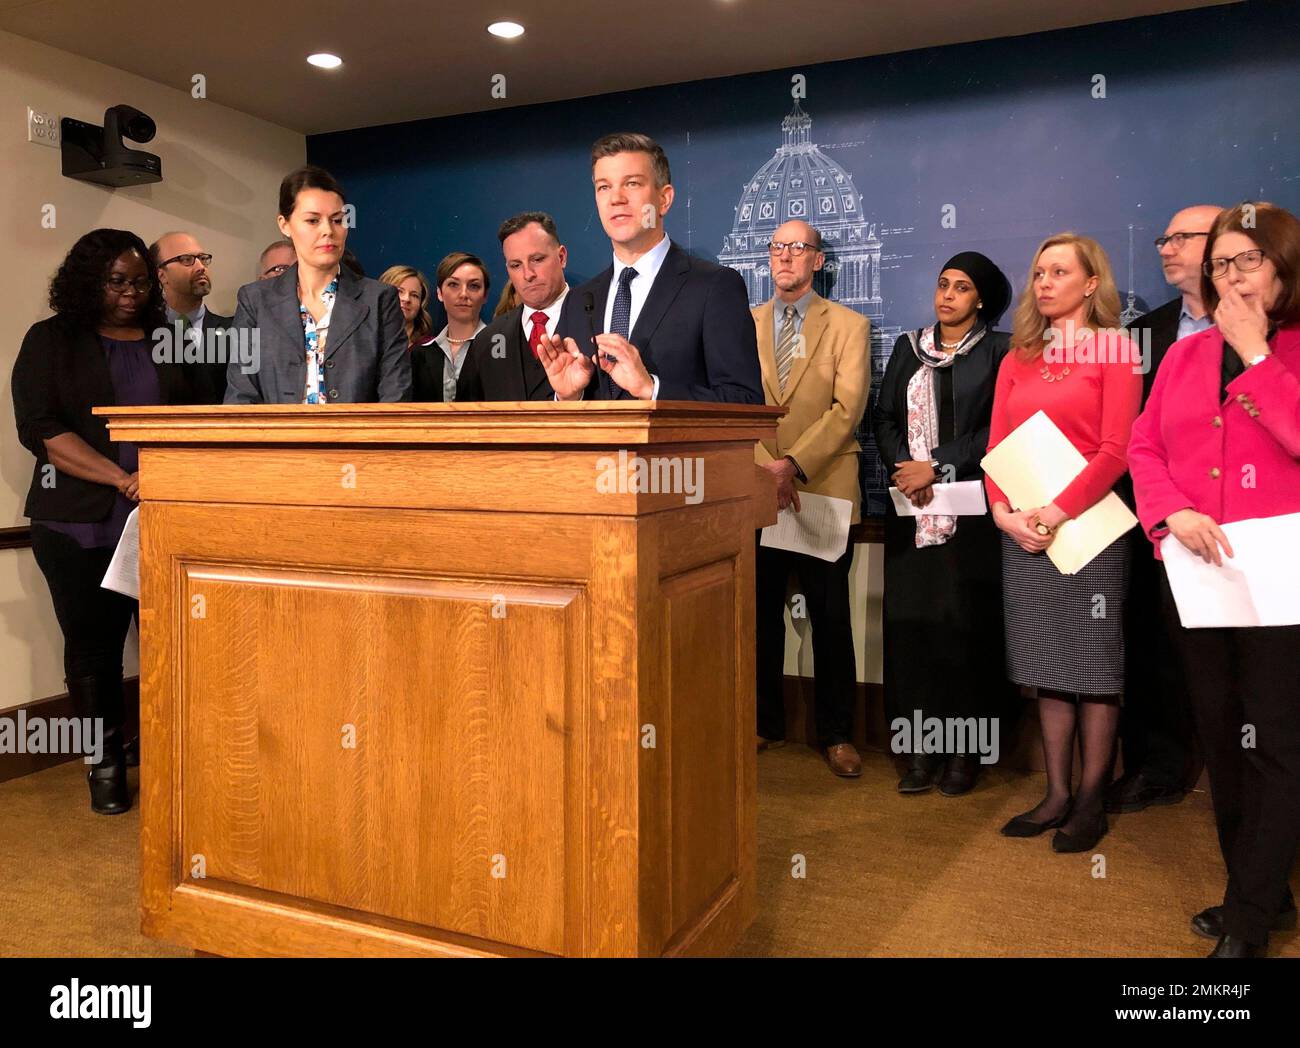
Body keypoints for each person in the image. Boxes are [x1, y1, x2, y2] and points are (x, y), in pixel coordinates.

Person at [1128, 201, 1300, 958]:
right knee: (1223, 738)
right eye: (1221, 263)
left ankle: (1251, 912)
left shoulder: (1287, 349)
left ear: (1284, 269)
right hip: (1197, 575)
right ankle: (1261, 891)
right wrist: (1169, 519)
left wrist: (1259, 356)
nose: (1230, 276)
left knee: (1277, 743)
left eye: (1248, 261)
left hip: (1283, 580)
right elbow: (1143, 450)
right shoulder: (1181, 357)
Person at [11, 229, 191, 814]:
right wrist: (120, 480)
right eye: (117, 281)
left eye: (141, 281)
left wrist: (165, 479)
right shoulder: (50, 340)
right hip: (78, 524)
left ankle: (172, 754)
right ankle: (106, 764)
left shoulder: (172, 340)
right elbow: (41, 430)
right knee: (93, 650)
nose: (131, 293)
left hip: (166, 517)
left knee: (173, 643)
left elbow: (199, 419)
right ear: (89, 279)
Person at [988, 233, 1142, 853]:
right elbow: (995, 449)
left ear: (1090, 283)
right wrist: (1004, 515)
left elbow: (1117, 450)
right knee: (1047, 668)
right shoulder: (1016, 357)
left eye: (1059, 271)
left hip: (1090, 530)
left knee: (1094, 669)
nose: (1044, 282)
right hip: (1023, 530)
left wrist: (1055, 510)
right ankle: (1055, 793)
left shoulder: (1115, 349)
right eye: (1038, 272)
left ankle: (1090, 800)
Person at [874, 251, 1014, 795]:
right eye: (942, 284)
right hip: (910, 514)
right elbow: (884, 418)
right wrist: (906, 471)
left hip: (971, 517)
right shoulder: (908, 349)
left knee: (964, 631)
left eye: (960, 287)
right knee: (914, 631)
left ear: (979, 299)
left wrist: (940, 465)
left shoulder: (1000, 352)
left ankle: (965, 754)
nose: (947, 295)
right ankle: (919, 753)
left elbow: (1000, 428)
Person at [1108, 205, 1221, 816]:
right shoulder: (1144, 335)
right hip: (1155, 524)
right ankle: (1157, 766)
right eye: (1163, 238)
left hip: (1242, 525)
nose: (1166, 248)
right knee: (1150, 647)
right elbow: (1134, 437)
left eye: (1182, 238)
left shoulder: (1267, 327)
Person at [753, 220, 870, 777]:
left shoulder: (849, 325)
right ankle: (761, 723)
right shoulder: (743, 324)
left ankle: (837, 734)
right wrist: (765, 470)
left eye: (798, 248)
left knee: (829, 618)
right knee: (758, 615)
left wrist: (791, 465)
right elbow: (731, 403)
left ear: (818, 261)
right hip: (756, 492)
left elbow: (847, 410)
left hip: (820, 489)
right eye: (777, 248)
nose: (785, 257)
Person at [544, 132, 762, 403]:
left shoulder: (714, 287)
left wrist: (652, 389)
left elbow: (745, 401)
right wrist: (568, 396)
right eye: (604, 187)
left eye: (632, 183)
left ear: (664, 199)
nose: (616, 198)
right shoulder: (578, 300)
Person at [224, 165, 411, 404]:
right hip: (276, 439)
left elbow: (396, 394)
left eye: (337, 220)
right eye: (313, 220)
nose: (328, 231)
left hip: (359, 439)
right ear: (285, 224)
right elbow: (241, 394)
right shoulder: (255, 300)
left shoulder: (379, 299)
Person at [453, 212, 570, 402]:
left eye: (537, 259)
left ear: (562, 257)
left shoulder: (600, 321)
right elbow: (467, 419)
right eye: (516, 265)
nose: (528, 274)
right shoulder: (487, 340)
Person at [150, 230, 231, 404]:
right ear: (161, 275)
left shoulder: (235, 331)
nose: (201, 267)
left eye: (203, 258)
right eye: (186, 260)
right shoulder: (145, 333)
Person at [414, 252, 489, 403]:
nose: (463, 294)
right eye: (453, 284)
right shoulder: (420, 354)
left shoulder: (500, 348)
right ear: (439, 293)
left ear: (485, 295)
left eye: (474, 286)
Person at [378, 265, 434, 350]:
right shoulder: (362, 340)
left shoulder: (430, 347)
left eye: (414, 295)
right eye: (399, 291)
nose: (407, 299)